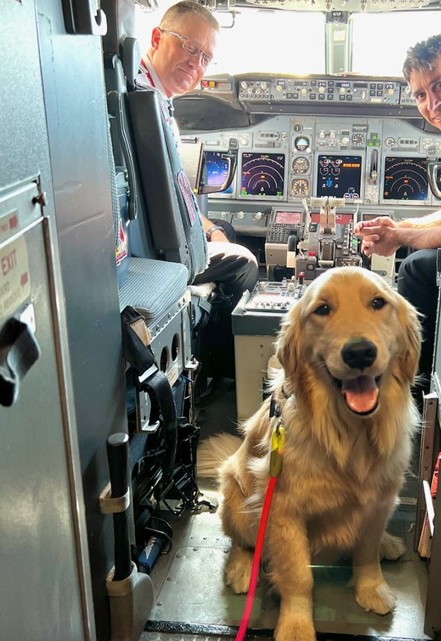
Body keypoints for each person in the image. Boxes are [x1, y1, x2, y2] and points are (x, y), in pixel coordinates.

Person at [136, 1, 258, 383]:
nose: (197, 63)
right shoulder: (145, 104)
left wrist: (211, 229)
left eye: (206, 56)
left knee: (223, 225)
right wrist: (207, 233)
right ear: (157, 37)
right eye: (190, 47)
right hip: (160, 252)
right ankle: (221, 374)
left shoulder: (147, 94)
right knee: (245, 262)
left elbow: (175, 193)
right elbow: (174, 196)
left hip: (160, 234)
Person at [354, 34, 441, 382]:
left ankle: (416, 383)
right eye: (420, 95)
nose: (433, 103)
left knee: (416, 268)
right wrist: (399, 225)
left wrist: (400, 237)